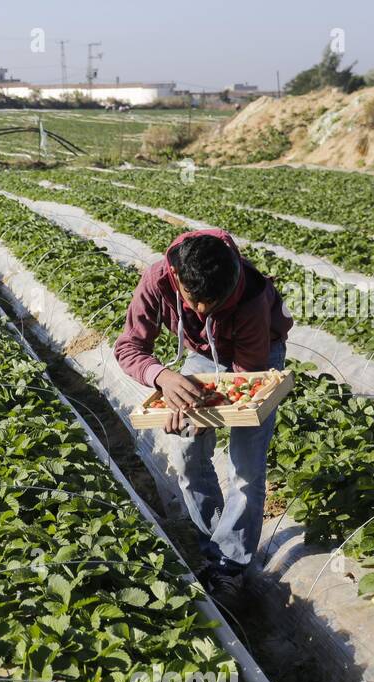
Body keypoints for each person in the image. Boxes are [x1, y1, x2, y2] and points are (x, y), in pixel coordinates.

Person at [113, 229, 292, 602]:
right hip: (203, 356)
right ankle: (218, 547)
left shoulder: (252, 297)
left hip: (255, 361)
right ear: (176, 278)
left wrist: (201, 413)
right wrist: (162, 377)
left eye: (213, 305)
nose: (199, 313)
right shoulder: (158, 278)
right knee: (186, 454)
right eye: (194, 302)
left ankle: (230, 568)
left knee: (245, 467)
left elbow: (244, 387)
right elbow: (130, 345)